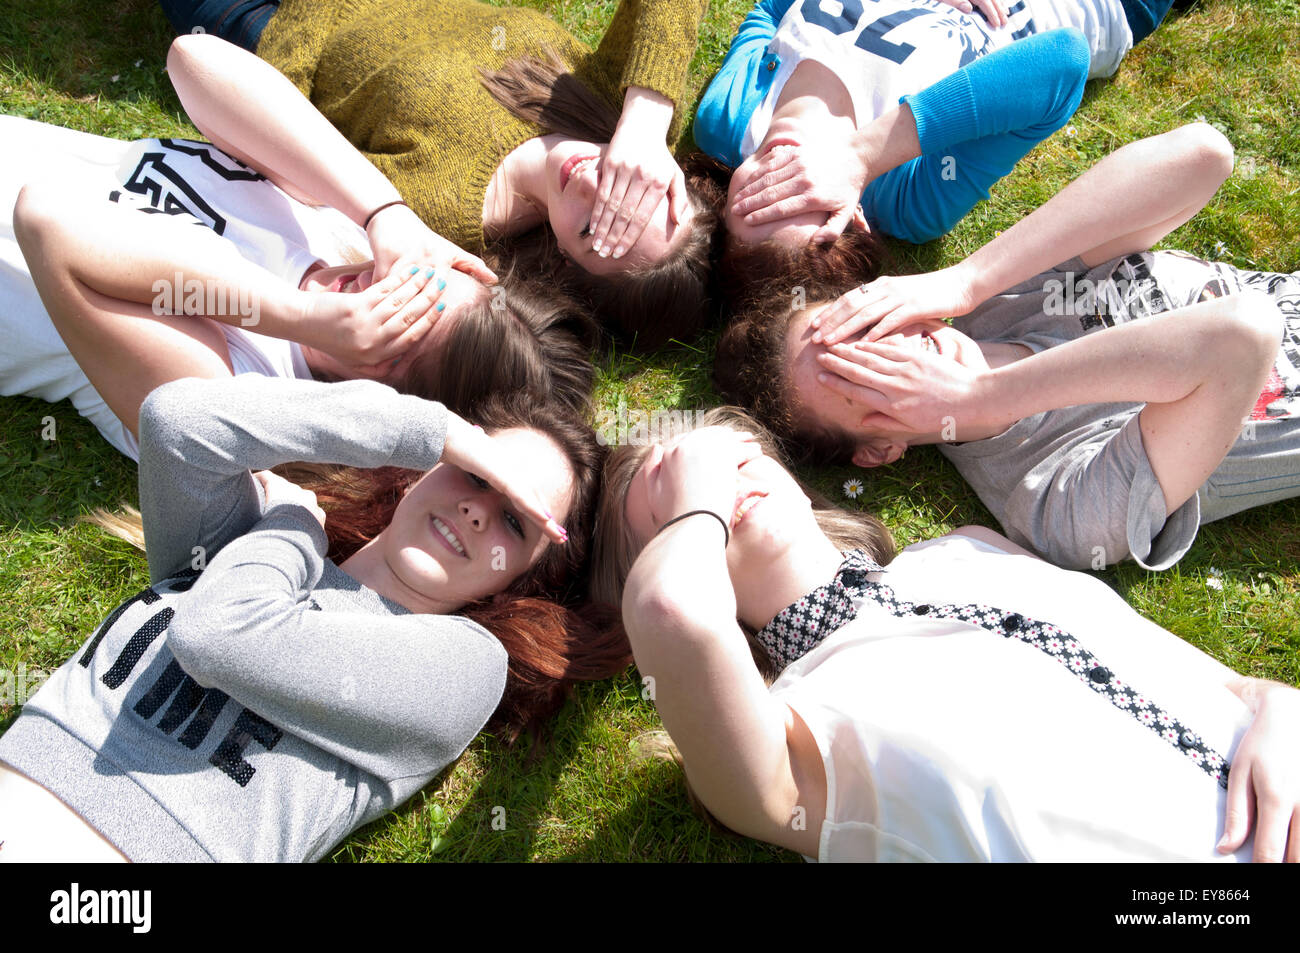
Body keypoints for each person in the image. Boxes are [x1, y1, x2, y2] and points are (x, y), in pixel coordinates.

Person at [592, 413, 1300, 862]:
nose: (709, 470)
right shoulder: (788, 748)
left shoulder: (967, 547)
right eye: (670, 498)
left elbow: (1238, 685)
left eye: (730, 452)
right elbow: (670, 611)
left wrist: (1284, 713)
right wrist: (700, 505)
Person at [0, 372, 630, 861]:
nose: (476, 512)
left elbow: (219, 638)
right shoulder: (244, 547)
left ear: (518, 578)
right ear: (421, 473)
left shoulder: (465, 667)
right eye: (474, 475)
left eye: (515, 521)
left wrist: (296, 522)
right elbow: (176, 422)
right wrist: (430, 428)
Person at [715, 122, 1299, 571]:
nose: (900, 349)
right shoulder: (1052, 504)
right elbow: (1242, 333)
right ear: (879, 450)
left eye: (863, 328)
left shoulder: (1001, 304)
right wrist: (983, 399)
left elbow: (1202, 155)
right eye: (860, 377)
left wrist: (968, 279)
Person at [2, 116, 595, 460]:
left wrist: (301, 317)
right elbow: (196, 58)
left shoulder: (240, 399)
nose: (380, 282)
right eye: (419, 280)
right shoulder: (335, 230)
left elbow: (49, 220)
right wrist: (384, 212)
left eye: (400, 318)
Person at [158, 3, 722, 347]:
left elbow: (275, 149)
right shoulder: (613, 106)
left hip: (262, 22)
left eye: (596, 228)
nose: (594, 185)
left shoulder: (441, 216)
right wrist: (647, 122)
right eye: (635, 186)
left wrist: (287, 51)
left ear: (566, 263)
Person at [696, 0, 1175, 289]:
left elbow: (772, 10)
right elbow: (1063, 59)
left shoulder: (726, 122)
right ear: (853, 218)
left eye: (758, 200)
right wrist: (863, 155)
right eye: (799, 199)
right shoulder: (908, 198)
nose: (780, 172)